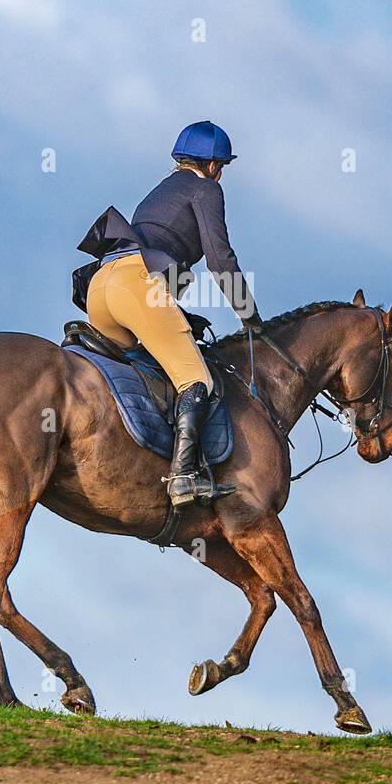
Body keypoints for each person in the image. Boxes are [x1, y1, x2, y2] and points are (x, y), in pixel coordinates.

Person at [73, 121, 261, 507]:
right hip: (137, 286)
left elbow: (162, 261)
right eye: (221, 165)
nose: (221, 173)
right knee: (196, 381)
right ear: (212, 166)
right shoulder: (207, 188)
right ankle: (182, 479)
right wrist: (249, 317)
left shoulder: (161, 190)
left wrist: (180, 316)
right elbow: (219, 258)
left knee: (146, 366)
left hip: (102, 287)